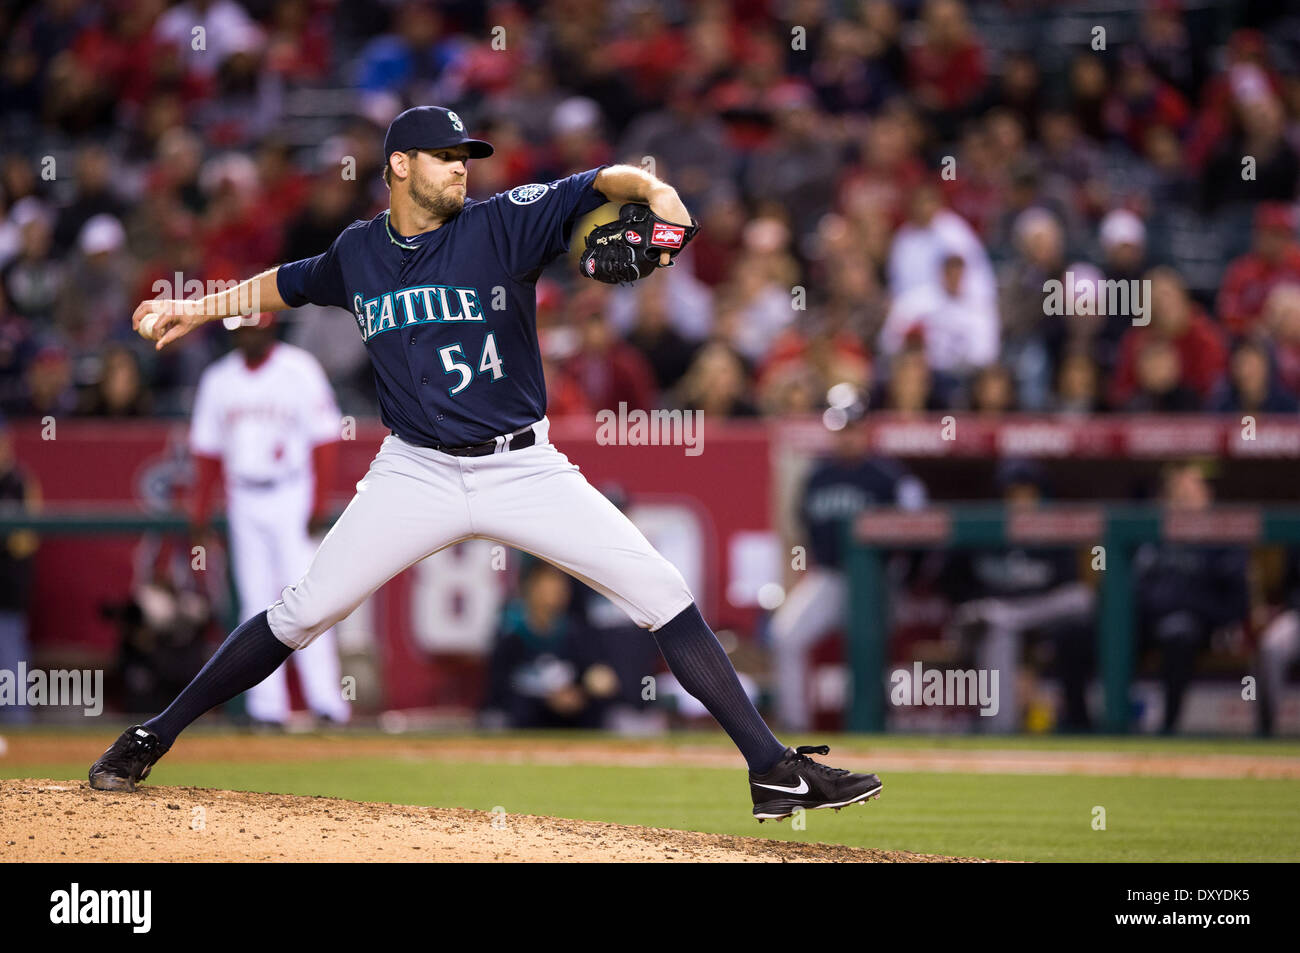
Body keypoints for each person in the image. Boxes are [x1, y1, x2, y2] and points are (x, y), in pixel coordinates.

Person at [89, 106, 881, 822]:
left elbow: (605, 180)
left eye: (466, 154)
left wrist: (660, 198)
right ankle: (153, 735)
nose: (460, 166)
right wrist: (195, 306)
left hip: (521, 466)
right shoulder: (358, 252)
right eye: (442, 155)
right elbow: (284, 286)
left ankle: (771, 769)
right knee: (300, 611)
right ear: (399, 166)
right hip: (414, 472)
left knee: (663, 592)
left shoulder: (502, 223)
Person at [188, 312, 349, 727]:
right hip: (243, 495)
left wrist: (317, 503)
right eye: (239, 329)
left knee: (310, 600)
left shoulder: (299, 369)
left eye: (252, 327)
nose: (245, 335)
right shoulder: (218, 379)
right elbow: (207, 453)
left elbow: (325, 440)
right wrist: (201, 513)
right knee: (254, 603)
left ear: (269, 326)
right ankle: (266, 709)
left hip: (291, 491)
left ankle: (327, 703)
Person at [769, 394, 926, 732]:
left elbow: (919, 533)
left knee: (875, 651)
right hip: (831, 576)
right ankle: (793, 726)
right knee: (786, 634)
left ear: (865, 430)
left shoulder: (889, 476)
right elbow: (802, 529)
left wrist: (902, 577)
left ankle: (883, 726)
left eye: (853, 429)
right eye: (841, 430)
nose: (847, 437)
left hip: (876, 582)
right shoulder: (818, 475)